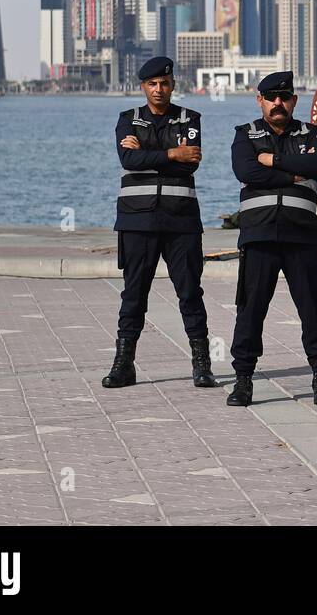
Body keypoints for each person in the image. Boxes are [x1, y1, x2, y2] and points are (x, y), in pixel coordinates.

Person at [225, 71, 317, 407]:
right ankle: (243, 379)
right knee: (250, 311)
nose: (278, 104)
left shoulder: (311, 134)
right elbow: (246, 172)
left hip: (301, 237)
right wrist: (293, 172)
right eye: (271, 97)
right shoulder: (245, 135)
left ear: (294, 101)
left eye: (284, 97)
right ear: (259, 100)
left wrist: (272, 161)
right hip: (259, 237)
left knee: (312, 310)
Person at [104, 56, 214, 390]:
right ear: (143, 87)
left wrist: (150, 153)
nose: (159, 89)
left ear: (172, 85)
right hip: (137, 221)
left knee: (190, 293)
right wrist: (170, 153)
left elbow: (190, 163)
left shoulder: (189, 118)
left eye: (164, 83)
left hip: (180, 221)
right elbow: (128, 159)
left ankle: (202, 364)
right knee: (133, 294)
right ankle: (124, 364)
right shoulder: (127, 119)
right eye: (152, 84)